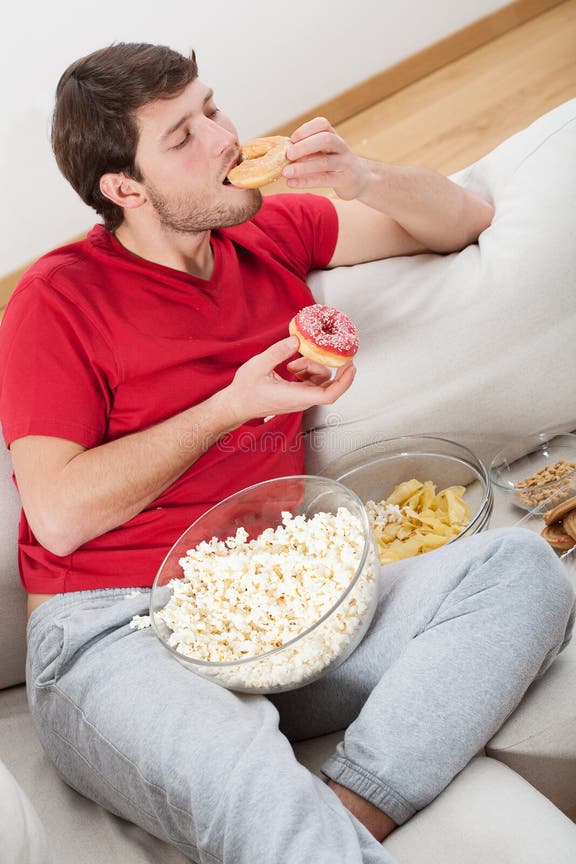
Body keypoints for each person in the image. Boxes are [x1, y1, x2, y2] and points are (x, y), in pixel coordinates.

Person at [0, 42, 573, 864]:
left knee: (519, 570)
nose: (226, 136)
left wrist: (360, 176)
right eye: (184, 136)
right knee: (253, 788)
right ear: (124, 188)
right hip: (114, 632)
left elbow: (465, 220)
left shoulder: (267, 230)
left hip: (279, 611)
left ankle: (341, 818)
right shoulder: (55, 303)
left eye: (211, 107)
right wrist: (230, 406)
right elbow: (57, 517)